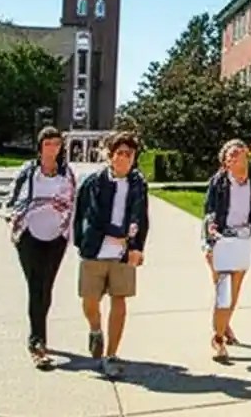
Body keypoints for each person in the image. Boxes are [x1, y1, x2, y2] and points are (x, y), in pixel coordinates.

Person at [73, 131, 149, 377]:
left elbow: (142, 217)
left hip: (123, 253)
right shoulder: (94, 181)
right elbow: (88, 215)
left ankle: (112, 354)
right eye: (120, 153)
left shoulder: (138, 184)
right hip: (96, 249)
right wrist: (112, 233)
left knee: (120, 300)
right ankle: (96, 329)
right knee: (90, 300)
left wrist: (137, 247)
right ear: (110, 155)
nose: (124, 158)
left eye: (129, 154)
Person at [5, 126, 77, 369]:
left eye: (56, 144)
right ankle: (37, 342)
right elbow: (12, 199)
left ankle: (39, 331)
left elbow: (73, 202)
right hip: (29, 235)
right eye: (47, 144)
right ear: (39, 147)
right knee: (36, 285)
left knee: (46, 286)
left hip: (56, 236)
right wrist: (14, 217)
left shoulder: (67, 174)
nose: (52, 149)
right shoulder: (28, 171)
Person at [202, 139, 251, 362]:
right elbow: (209, 213)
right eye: (231, 155)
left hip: (244, 239)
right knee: (224, 292)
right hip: (222, 240)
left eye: (240, 154)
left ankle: (224, 325)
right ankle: (218, 339)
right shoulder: (218, 183)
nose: (236, 157)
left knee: (234, 291)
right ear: (225, 162)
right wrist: (209, 241)